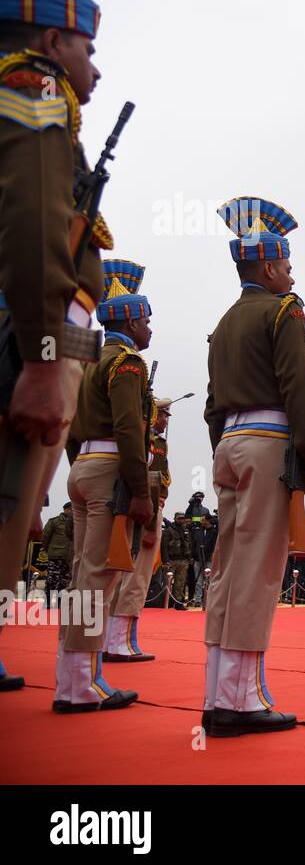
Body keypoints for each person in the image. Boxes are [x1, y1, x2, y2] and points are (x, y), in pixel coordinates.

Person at [0, 0, 107, 695]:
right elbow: (37, 223)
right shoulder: (33, 93)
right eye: (86, 46)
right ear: (48, 41)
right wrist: (43, 360)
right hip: (25, 341)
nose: (93, 65)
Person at [201, 196, 305, 738]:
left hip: (229, 445)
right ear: (269, 266)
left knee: (228, 569)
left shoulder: (225, 322)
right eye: (286, 263)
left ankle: (217, 689)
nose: (291, 271)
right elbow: (298, 389)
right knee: (257, 570)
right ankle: (240, 699)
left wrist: (221, 449)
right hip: (268, 444)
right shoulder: (285, 310)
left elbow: (212, 405)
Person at [55, 261, 155, 711]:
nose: (149, 328)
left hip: (83, 467)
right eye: (146, 320)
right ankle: (80, 684)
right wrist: (140, 491)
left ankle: (71, 676)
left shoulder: (88, 361)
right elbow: (130, 431)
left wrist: (81, 465)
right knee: (99, 578)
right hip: (111, 470)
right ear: (130, 321)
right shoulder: (127, 364)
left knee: (83, 574)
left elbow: (71, 427)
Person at [104, 394, 177, 662]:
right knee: (136, 577)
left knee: (119, 575)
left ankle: (108, 639)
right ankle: (120, 641)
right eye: (163, 414)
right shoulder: (146, 441)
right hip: (144, 505)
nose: (166, 420)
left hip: (138, 502)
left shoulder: (158, 443)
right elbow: (153, 479)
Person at [42, 503, 75, 609]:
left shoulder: (77, 522)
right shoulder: (55, 521)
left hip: (69, 558)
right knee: (51, 580)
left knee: (64, 582)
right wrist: (51, 551)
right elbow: (45, 537)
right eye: (70, 509)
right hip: (56, 556)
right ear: (65, 509)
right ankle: (47, 602)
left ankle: (60, 603)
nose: (72, 511)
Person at [163, 511, 192, 608]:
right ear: (175, 518)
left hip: (183, 560)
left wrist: (189, 558)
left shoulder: (186, 530)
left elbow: (190, 545)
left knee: (180, 583)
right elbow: (164, 547)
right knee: (168, 583)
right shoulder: (168, 530)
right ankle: (167, 602)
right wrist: (166, 560)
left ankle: (178, 603)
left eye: (183, 518)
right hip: (171, 560)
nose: (181, 520)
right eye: (179, 518)